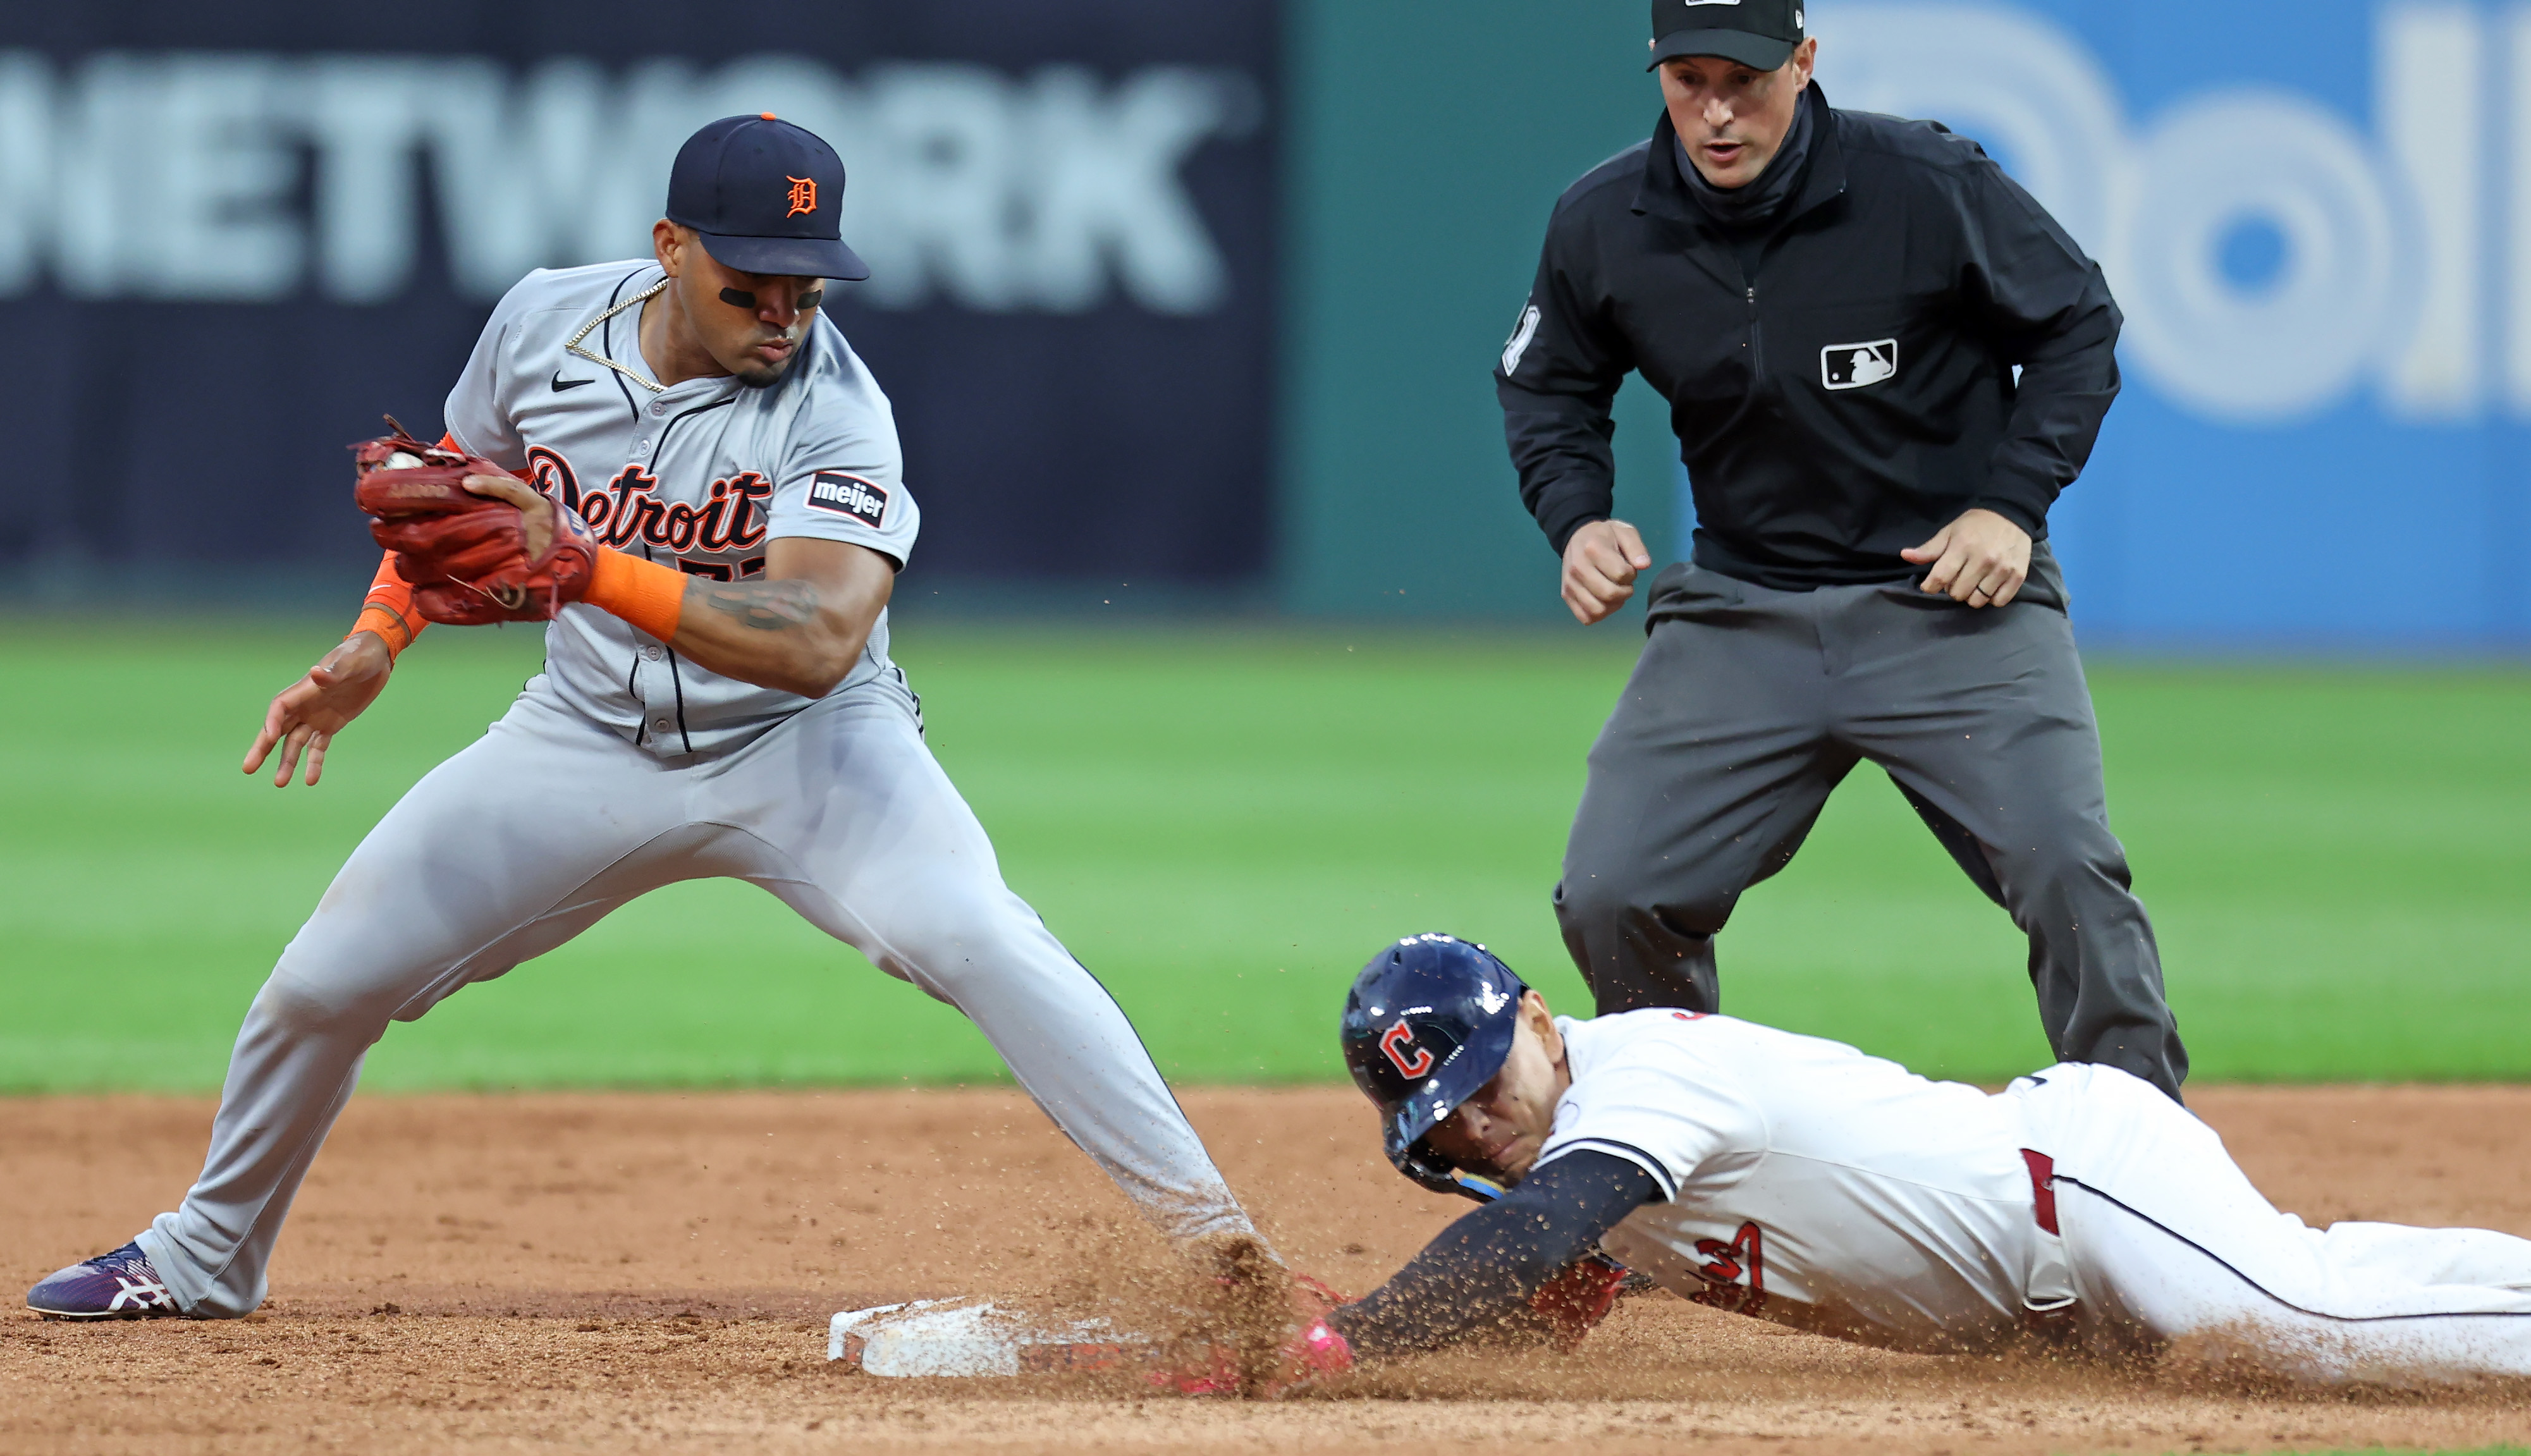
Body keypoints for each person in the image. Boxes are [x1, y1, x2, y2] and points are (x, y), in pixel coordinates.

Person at [27, 114, 1271, 1321]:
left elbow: (815, 637)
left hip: (817, 750)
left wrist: (590, 571)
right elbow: (456, 494)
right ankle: (203, 1258)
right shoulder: (541, 320)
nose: (784, 314)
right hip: (582, 737)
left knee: (978, 937)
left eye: (809, 287)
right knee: (321, 986)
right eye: (753, 284)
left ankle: (1225, 1253)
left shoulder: (839, 412)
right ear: (671, 248)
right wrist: (379, 639)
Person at [1500, 0, 2186, 1098]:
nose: (1718, 112)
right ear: (1659, 75)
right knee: (1612, 891)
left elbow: (2077, 325)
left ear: (1806, 61)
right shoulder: (1605, 218)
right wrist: (1576, 516)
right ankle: (1667, 1149)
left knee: (2066, 868)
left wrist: (2010, 506)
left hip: (1948, 603)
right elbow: (1548, 384)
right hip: (1742, 607)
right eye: (1690, 83)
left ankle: (2147, 1166)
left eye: (1747, 79)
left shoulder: (1923, 184)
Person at [1265, 935, 2531, 1388]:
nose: (1480, 1127)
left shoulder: (1636, 1085)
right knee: (2320, 1280)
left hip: (2076, 1187)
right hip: (2060, 1273)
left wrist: (1348, 1341)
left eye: (1486, 1081)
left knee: (2294, 1325)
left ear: (1540, 1021)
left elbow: (1529, 1238)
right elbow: (1536, 1277)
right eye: (1445, 1129)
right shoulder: (1581, 1161)